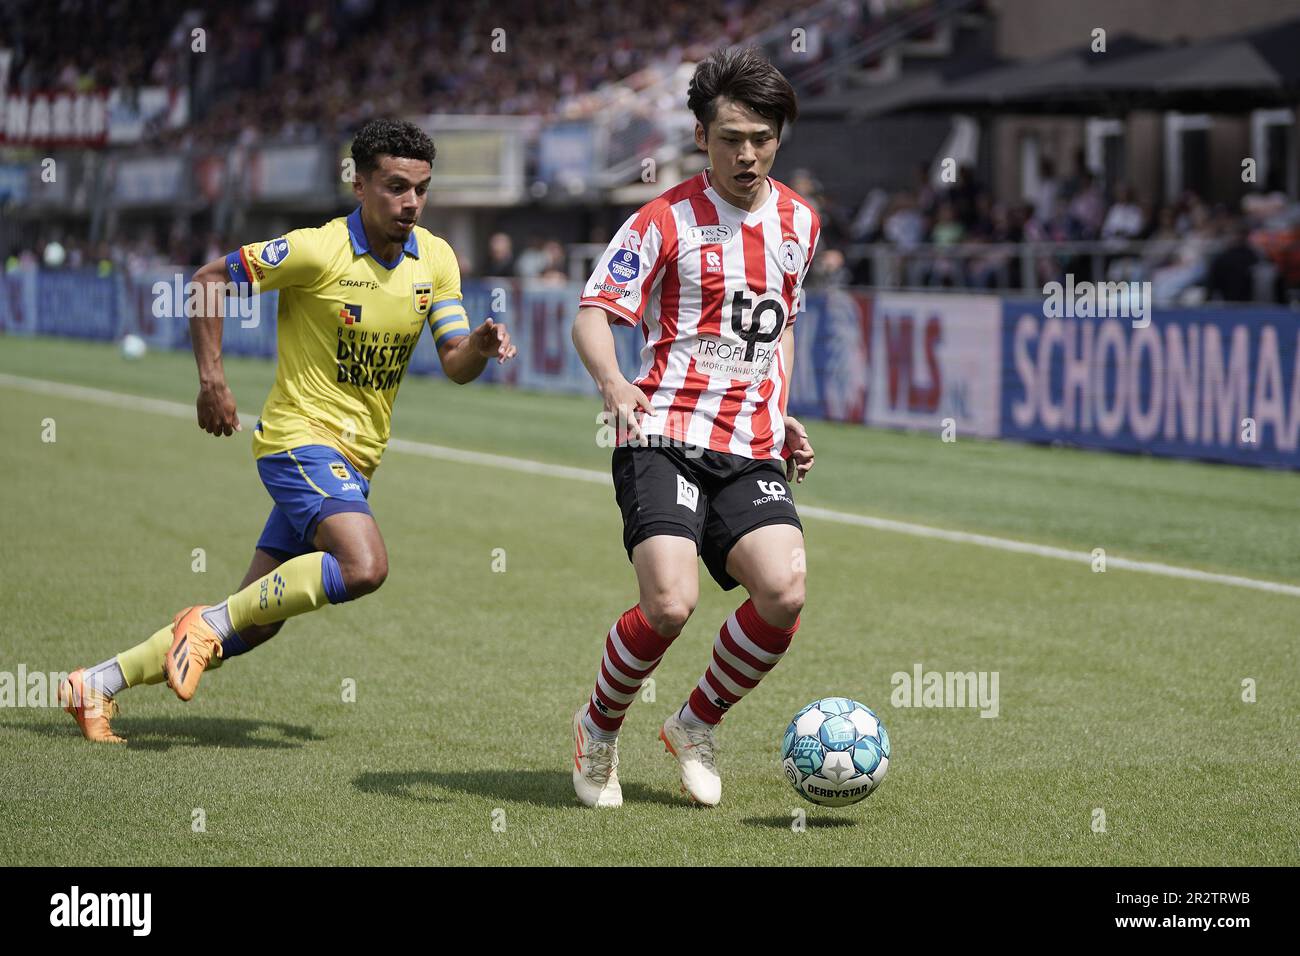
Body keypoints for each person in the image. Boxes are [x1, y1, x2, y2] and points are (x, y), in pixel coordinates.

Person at [61, 118, 517, 742]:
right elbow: (207, 281)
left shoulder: (434, 259)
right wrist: (213, 380)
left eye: (421, 188)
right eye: (394, 186)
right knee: (363, 565)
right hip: (298, 441)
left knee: (256, 620)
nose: (410, 202)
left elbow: (454, 361)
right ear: (359, 185)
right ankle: (209, 623)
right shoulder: (316, 250)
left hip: (355, 461)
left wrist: (482, 347)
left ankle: (96, 684)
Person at [569, 47, 818, 808]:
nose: (747, 153)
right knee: (670, 604)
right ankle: (599, 728)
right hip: (662, 431)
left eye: (762, 137)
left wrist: (781, 411)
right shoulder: (662, 219)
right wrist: (614, 384)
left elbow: (778, 329)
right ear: (701, 137)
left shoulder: (800, 224)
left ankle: (694, 722)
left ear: (779, 136)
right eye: (731, 137)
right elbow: (592, 315)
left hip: (748, 445)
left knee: (783, 590)